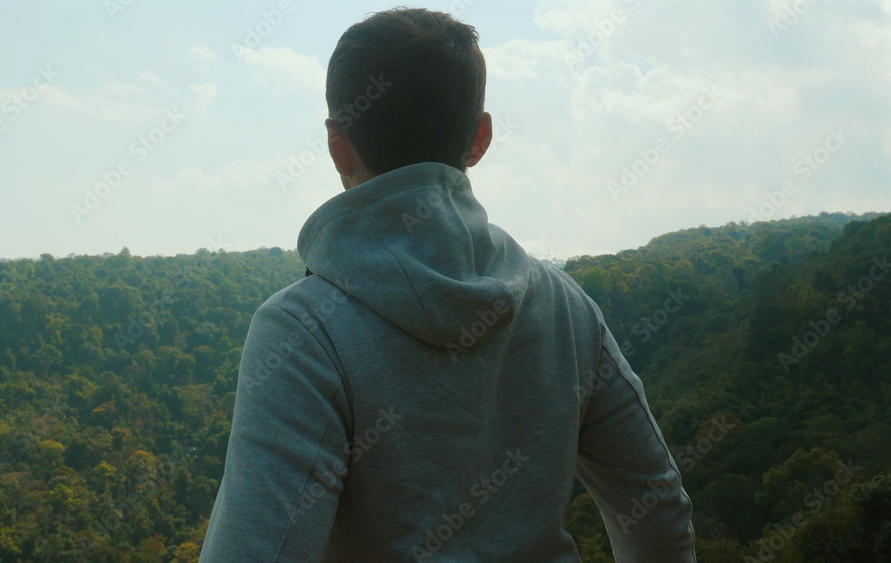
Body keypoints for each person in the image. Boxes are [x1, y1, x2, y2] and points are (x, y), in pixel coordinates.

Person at [199, 7, 695, 562]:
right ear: (480, 137)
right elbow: (655, 502)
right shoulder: (565, 306)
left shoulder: (304, 330)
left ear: (337, 143)